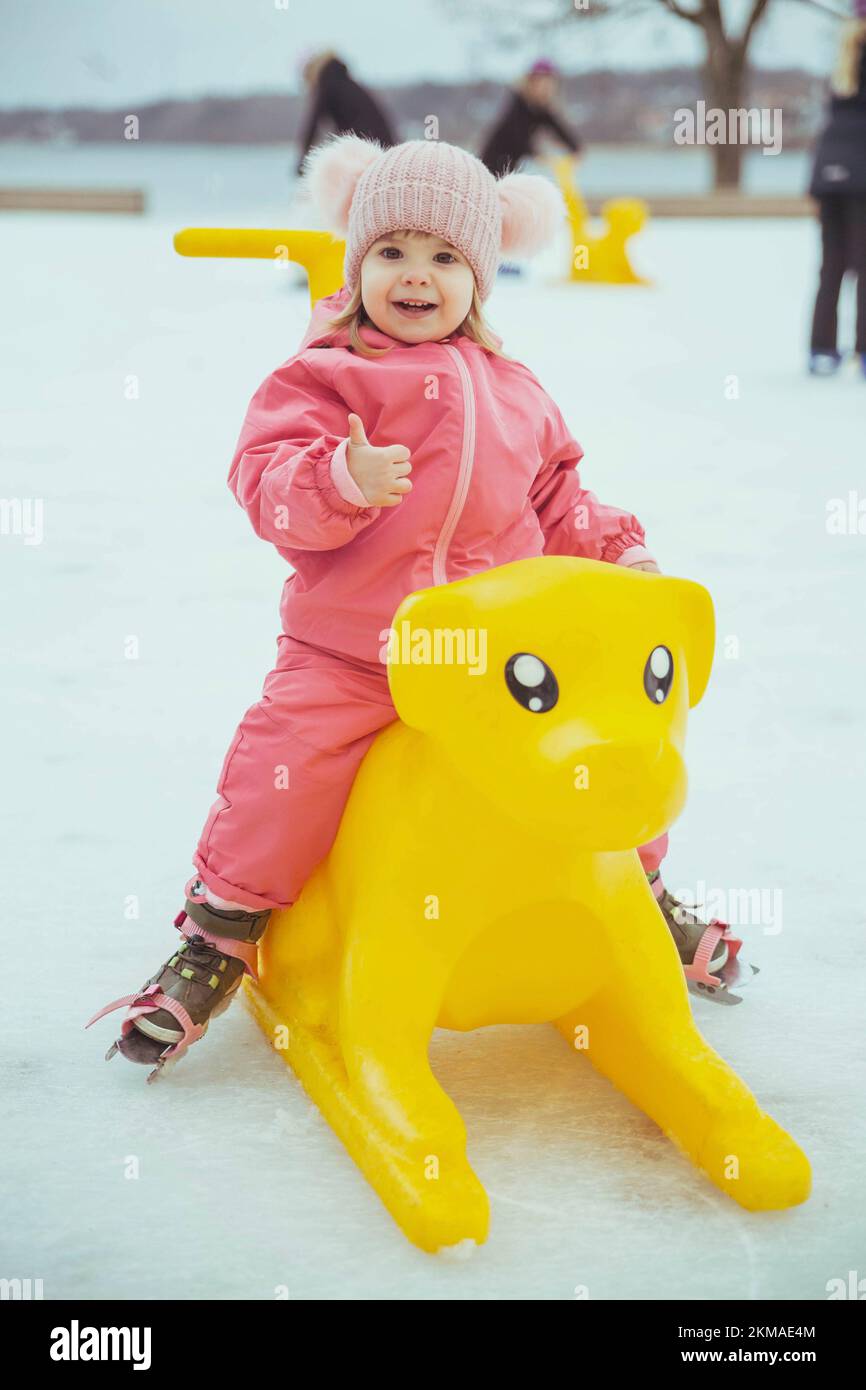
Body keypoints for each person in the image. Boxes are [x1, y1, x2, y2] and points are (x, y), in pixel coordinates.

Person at [87, 136, 731, 1081]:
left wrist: (616, 548)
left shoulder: (514, 391)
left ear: (480, 275)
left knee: (598, 743)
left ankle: (639, 886)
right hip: (354, 652)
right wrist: (338, 477)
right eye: (391, 252)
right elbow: (262, 480)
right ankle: (219, 935)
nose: (416, 276)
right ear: (358, 263)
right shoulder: (325, 374)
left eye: (444, 258)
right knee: (287, 765)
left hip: (492, 658)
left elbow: (558, 498)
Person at [808, 6, 866, 376]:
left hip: (828, 177)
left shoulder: (842, 61)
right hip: (861, 176)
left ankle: (822, 350)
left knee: (831, 267)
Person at [293, 51, 395, 178]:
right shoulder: (346, 84)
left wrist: (302, 159)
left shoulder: (327, 83)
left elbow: (313, 123)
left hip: (368, 147)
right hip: (382, 146)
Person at [479, 58, 581, 179]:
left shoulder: (540, 107)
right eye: (540, 83)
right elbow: (517, 135)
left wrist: (575, 148)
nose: (544, 88)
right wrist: (538, 154)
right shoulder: (519, 104)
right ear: (530, 83)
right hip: (494, 159)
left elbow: (557, 127)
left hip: (511, 163)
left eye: (548, 85)